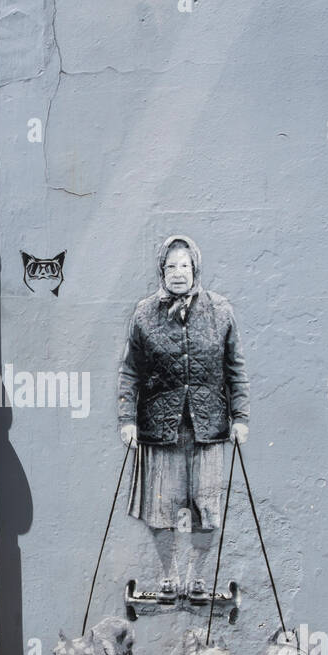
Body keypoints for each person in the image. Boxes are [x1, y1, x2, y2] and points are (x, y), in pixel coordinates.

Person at [118, 234, 250, 594]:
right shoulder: (145, 313)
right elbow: (130, 370)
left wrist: (241, 418)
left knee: (206, 506)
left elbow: (234, 368)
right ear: (162, 270)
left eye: (185, 265)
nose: (178, 272)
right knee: (163, 508)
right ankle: (169, 574)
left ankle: (197, 576)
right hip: (160, 428)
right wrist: (127, 419)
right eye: (171, 266)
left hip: (208, 427)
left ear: (195, 269)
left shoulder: (220, 310)